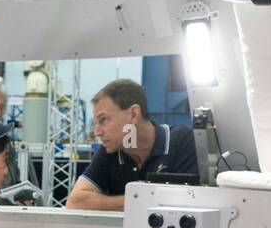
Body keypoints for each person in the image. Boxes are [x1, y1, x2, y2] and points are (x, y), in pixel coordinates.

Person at [65, 78, 198, 211]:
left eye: (103, 120)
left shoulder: (182, 142)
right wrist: (139, 199)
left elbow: (187, 201)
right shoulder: (111, 151)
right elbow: (75, 202)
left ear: (133, 114)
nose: (97, 132)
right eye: (95, 123)